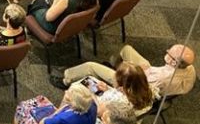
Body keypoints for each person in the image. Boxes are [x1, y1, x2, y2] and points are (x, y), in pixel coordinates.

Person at [59, 43, 196, 98]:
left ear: (174, 62)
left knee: (90, 66)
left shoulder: (161, 79)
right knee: (127, 50)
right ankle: (115, 66)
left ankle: (66, 79)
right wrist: (147, 70)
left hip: (133, 82)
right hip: (150, 74)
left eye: (169, 52)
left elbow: (138, 87)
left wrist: (136, 71)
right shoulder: (189, 67)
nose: (167, 51)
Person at [60, 61, 156, 117]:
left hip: (106, 115)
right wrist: (107, 90)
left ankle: (58, 114)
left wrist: (92, 96)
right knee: (88, 81)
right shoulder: (147, 91)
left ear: (121, 87)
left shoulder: (119, 103)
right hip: (113, 102)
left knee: (75, 88)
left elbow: (99, 112)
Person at [13, 83, 97, 124]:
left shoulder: (63, 119)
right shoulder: (92, 105)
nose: (65, 91)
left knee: (21, 107)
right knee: (41, 98)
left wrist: (55, 113)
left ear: (74, 103)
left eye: (68, 93)